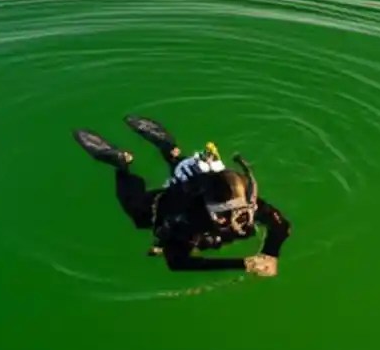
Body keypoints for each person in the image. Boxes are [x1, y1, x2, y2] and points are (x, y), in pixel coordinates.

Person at [73, 115, 292, 276]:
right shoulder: (189, 219)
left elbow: (281, 224)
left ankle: (170, 149)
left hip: (203, 185)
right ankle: (121, 165)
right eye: (226, 216)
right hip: (170, 200)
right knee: (137, 212)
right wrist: (243, 263)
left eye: (240, 213)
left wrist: (270, 253)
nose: (237, 221)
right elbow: (177, 262)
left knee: (185, 169)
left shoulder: (244, 202)